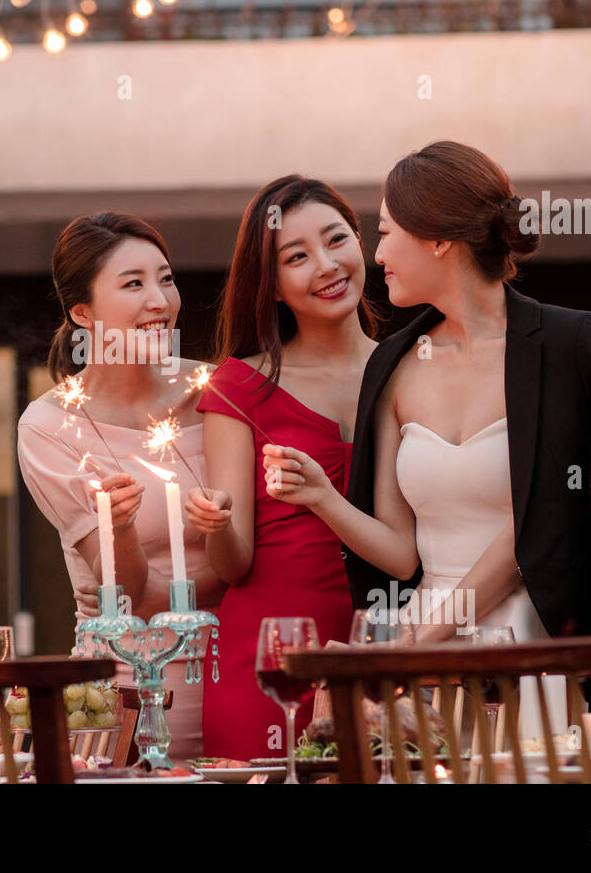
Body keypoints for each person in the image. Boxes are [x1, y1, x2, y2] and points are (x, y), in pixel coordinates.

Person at [264, 141, 591, 737]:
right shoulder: (393, 362)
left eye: (386, 233)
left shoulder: (568, 344)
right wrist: (322, 498)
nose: (376, 252)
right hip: (419, 649)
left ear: (438, 238)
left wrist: (421, 642)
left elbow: (541, 522)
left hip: (522, 645)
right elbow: (401, 553)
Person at [184, 176, 378, 761]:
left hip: (382, 647)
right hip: (268, 657)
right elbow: (234, 566)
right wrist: (217, 527)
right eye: (297, 257)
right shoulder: (239, 385)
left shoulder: (409, 368)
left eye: (335, 239)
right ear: (269, 285)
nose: (326, 265)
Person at [16, 211, 223, 760]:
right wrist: (121, 532)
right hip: (128, 690)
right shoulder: (50, 426)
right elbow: (130, 598)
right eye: (133, 284)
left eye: (167, 278)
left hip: (235, 675)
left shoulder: (214, 393)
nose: (160, 300)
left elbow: (260, 553)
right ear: (82, 312)